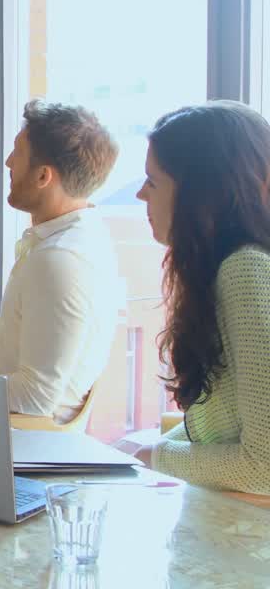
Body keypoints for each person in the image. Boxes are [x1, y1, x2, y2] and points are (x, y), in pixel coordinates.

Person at [118, 102, 270, 495]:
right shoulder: (221, 269)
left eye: (152, 181)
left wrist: (151, 455)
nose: (139, 193)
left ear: (200, 192)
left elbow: (264, 467)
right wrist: (138, 449)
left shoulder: (245, 270)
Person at [0, 101, 122, 424]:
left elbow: (38, 395)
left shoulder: (58, 260)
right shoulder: (82, 237)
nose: (8, 162)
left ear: (43, 176)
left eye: (17, 153)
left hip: (5, 436)